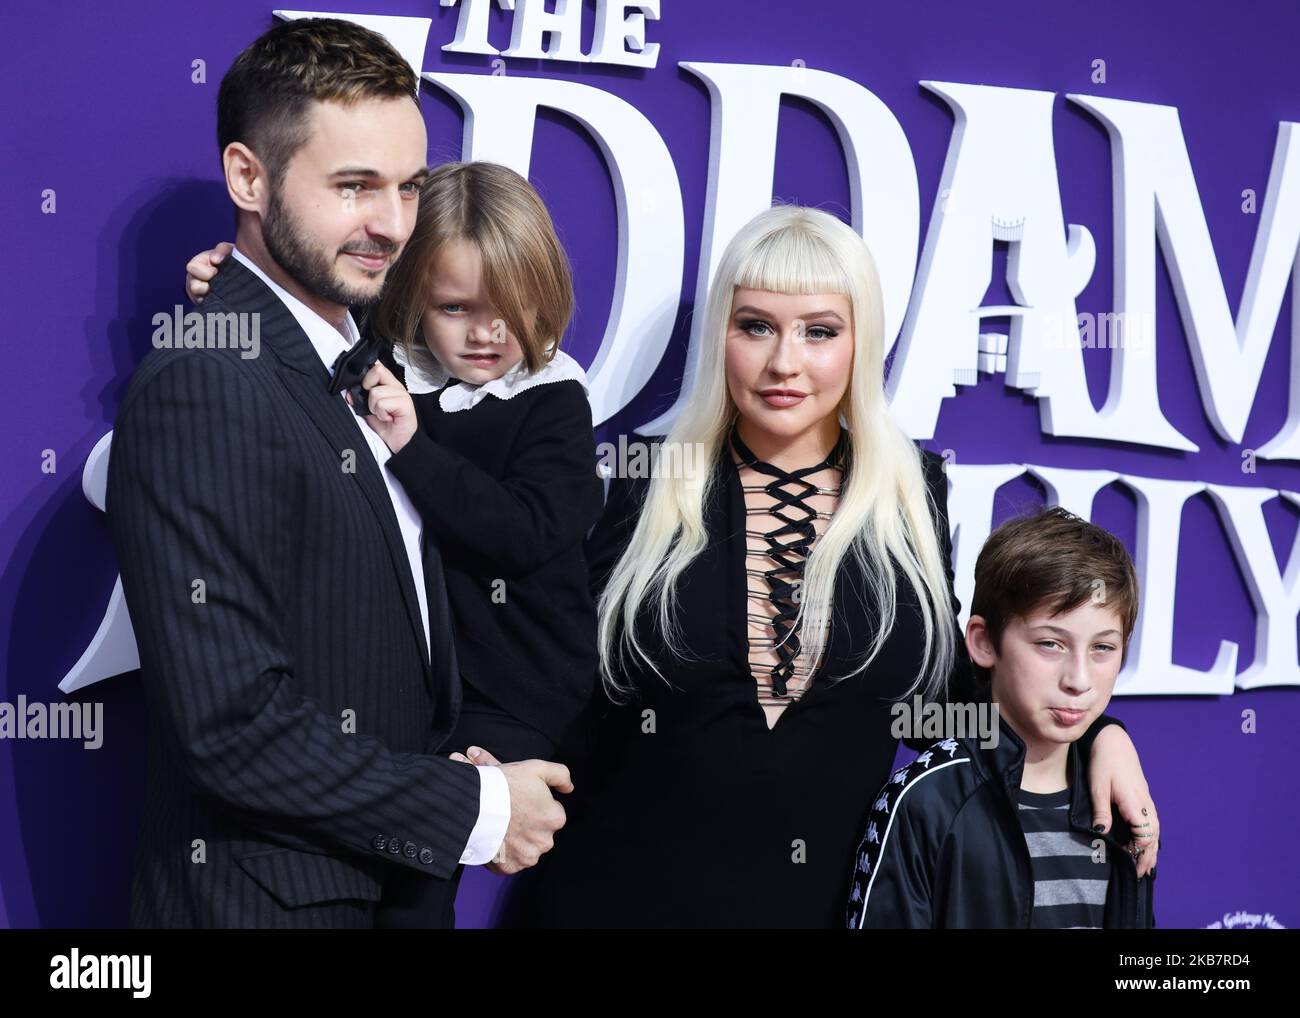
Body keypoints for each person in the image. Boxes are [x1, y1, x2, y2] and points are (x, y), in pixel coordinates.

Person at [501, 204, 1161, 928]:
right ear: (722, 334)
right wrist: (498, 769)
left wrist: (1097, 735)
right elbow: (568, 680)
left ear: (859, 343)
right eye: (756, 326)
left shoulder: (910, 489)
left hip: (818, 909)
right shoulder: (656, 478)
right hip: (615, 900)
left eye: (820, 331)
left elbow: (935, 703)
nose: (785, 362)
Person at [107, 18, 569, 929]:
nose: (393, 224)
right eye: (355, 186)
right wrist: (475, 811)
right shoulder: (206, 383)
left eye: (409, 186)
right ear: (248, 177)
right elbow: (231, 728)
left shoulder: (359, 363)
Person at [184, 161, 605, 927]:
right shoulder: (386, 364)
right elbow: (297, 344)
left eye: (512, 308)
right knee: (358, 849)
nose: (487, 332)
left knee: (419, 880)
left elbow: (525, 533)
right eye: (456, 307)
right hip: (407, 670)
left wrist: (413, 446)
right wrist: (230, 288)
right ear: (411, 298)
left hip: (511, 685)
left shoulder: (552, 400)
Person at [847, 507, 1156, 928]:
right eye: (1050, 644)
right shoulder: (926, 800)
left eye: (1102, 648)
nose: (1079, 680)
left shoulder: (1121, 799)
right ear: (983, 642)